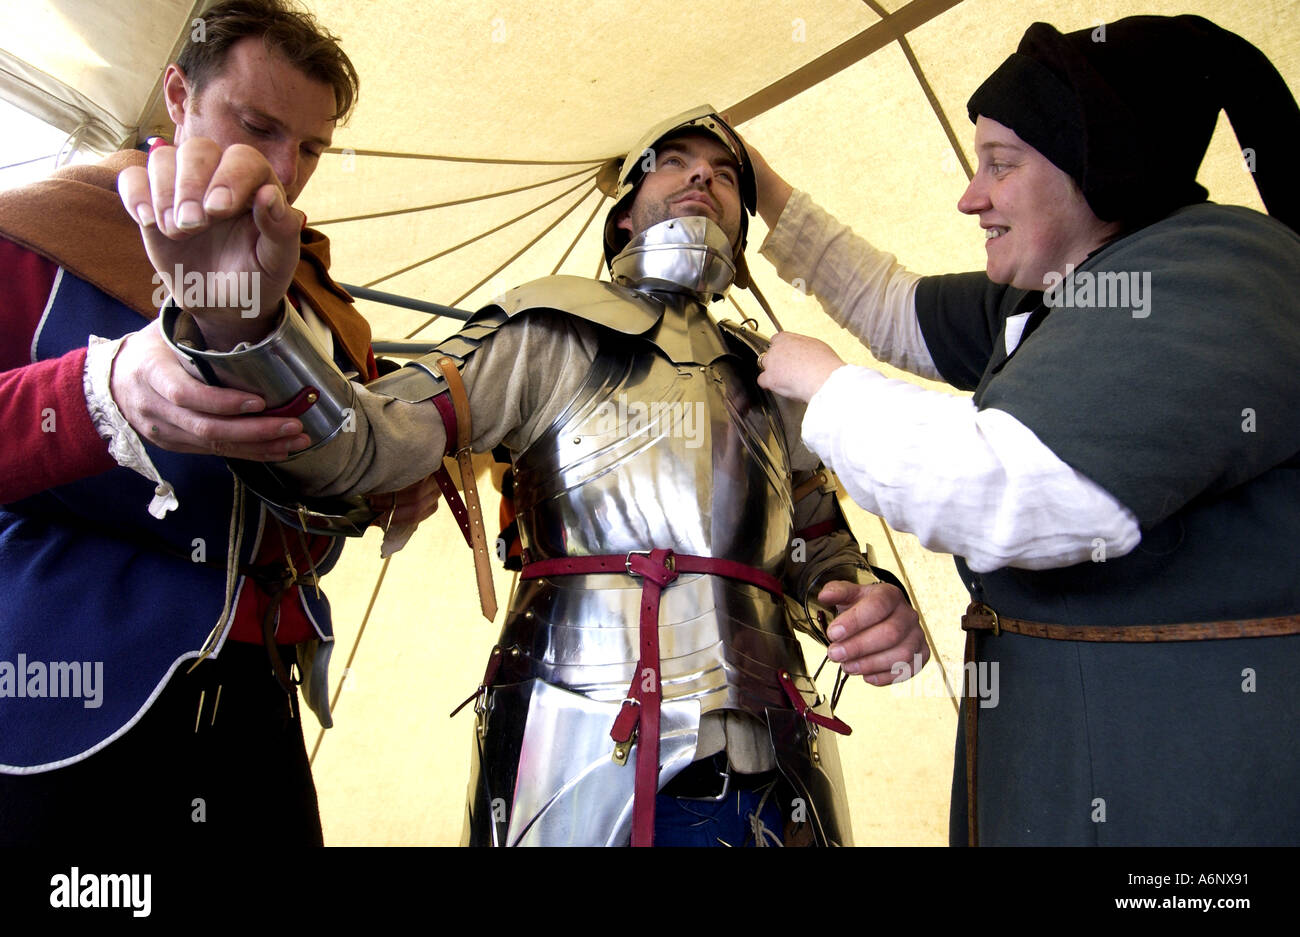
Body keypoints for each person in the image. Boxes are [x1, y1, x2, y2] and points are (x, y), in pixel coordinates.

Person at [127, 105, 929, 846]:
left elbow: (823, 551)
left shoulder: (780, 374)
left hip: (776, 759)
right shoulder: (546, 330)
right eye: (676, 161)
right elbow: (368, 439)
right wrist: (243, 322)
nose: (703, 178)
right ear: (624, 210)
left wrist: (872, 601)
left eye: (724, 174)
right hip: (572, 743)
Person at [751, 15, 1300, 845]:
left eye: (1001, 166)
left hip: (1187, 795)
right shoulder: (1059, 290)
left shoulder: (1212, 273)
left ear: (1100, 166)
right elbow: (892, 306)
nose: (972, 196)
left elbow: (1012, 488)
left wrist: (825, 390)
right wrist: (760, 187)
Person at [0, 0, 434, 845]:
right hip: (54, 699)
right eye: (258, 125)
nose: (284, 167)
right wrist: (107, 387)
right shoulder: (33, 231)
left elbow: (322, 503)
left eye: (311, 147)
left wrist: (390, 484)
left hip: (255, 709)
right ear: (177, 95)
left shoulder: (325, 307)